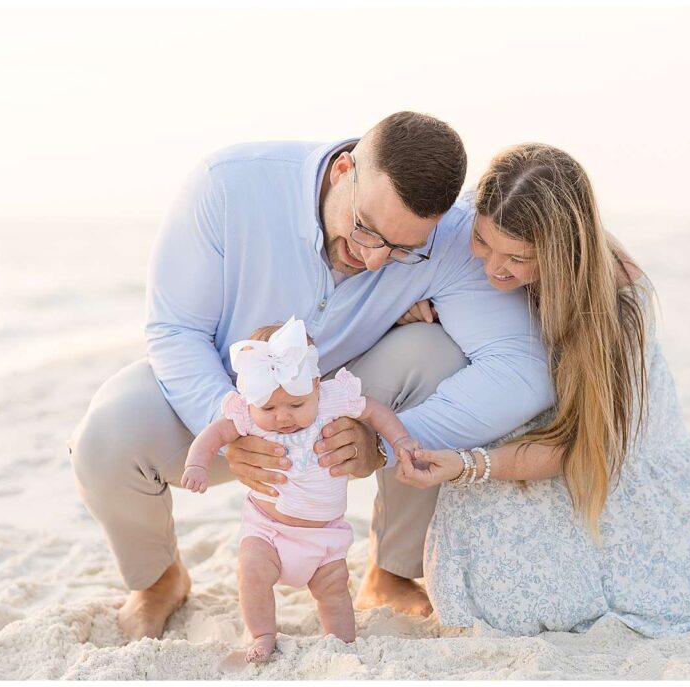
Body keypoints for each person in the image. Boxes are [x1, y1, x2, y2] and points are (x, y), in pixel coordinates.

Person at [67, 112, 554, 640]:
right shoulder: (227, 185)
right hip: (225, 396)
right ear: (344, 169)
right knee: (105, 435)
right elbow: (175, 331)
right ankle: (159, 580)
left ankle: (389, 571)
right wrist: (231, 426)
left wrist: (380, 445)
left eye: (401, 251)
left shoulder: (452, 238)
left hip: (344, 405)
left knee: (435, 351)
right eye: (366, 230)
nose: (373, 260)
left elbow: (522, 369)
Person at [395, 143, 690, 636]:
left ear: (561, 252)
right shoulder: (475, 223)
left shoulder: (613, 304)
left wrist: (469, 465)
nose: (493, 269)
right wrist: (416, 303)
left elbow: (577, 446)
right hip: (530, 418)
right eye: (483, 243)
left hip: (599, 444)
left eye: (518, 258)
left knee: (512, 598)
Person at [181, 317, 419, 662]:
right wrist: (196, 465)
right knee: (252, 574)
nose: (283, 417)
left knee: (334, 590)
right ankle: (262, 634)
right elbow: (213, 435)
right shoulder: (246, 415)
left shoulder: (334, 402)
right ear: (250, 399)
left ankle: (342, 645)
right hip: (268, 530)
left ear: (317, 386)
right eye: (269, 408)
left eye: (295, 405)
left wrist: (400, 439)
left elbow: (376, 411)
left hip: (324, 538)